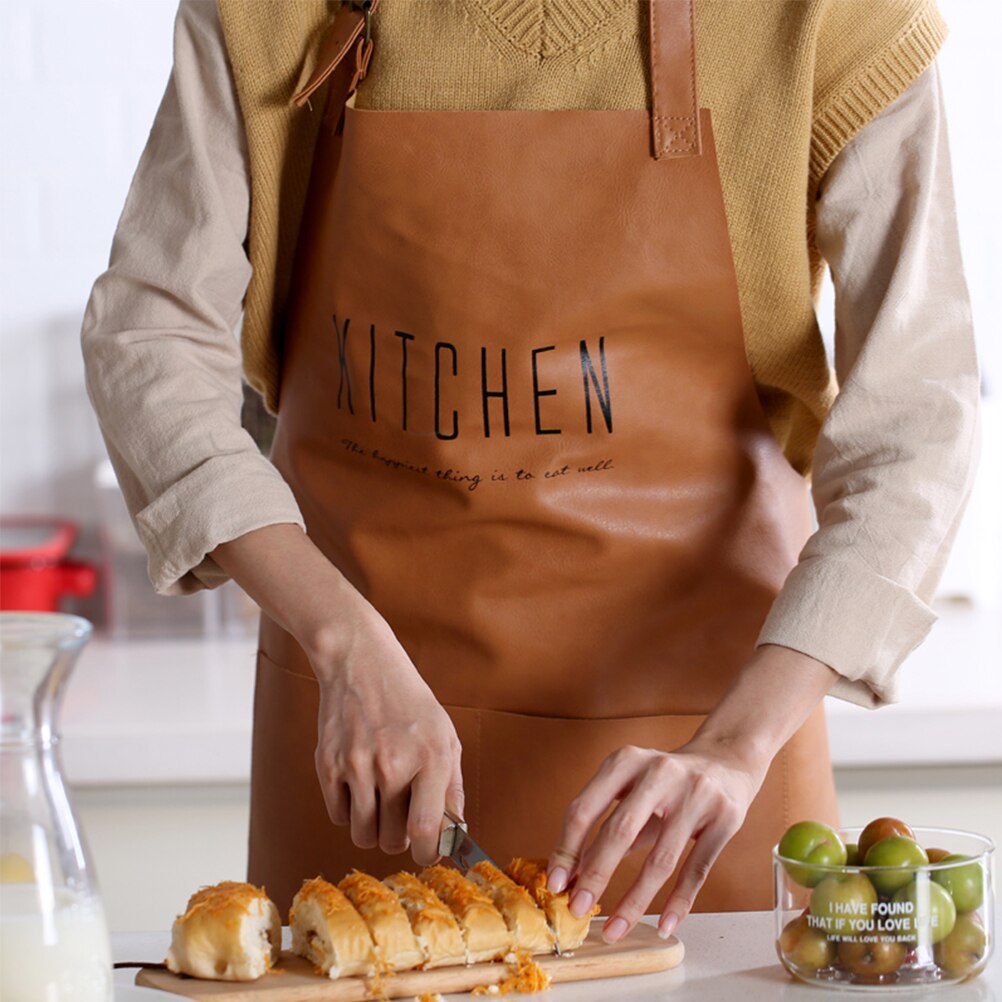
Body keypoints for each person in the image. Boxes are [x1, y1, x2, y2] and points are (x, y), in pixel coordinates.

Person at [82, 0, 978, 945]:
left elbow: (919, 419)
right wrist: (340, 640)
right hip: (368, 754)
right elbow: (149, 336)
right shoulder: (268, 16)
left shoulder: (832, 19)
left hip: (706, 765)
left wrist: (738, 741)